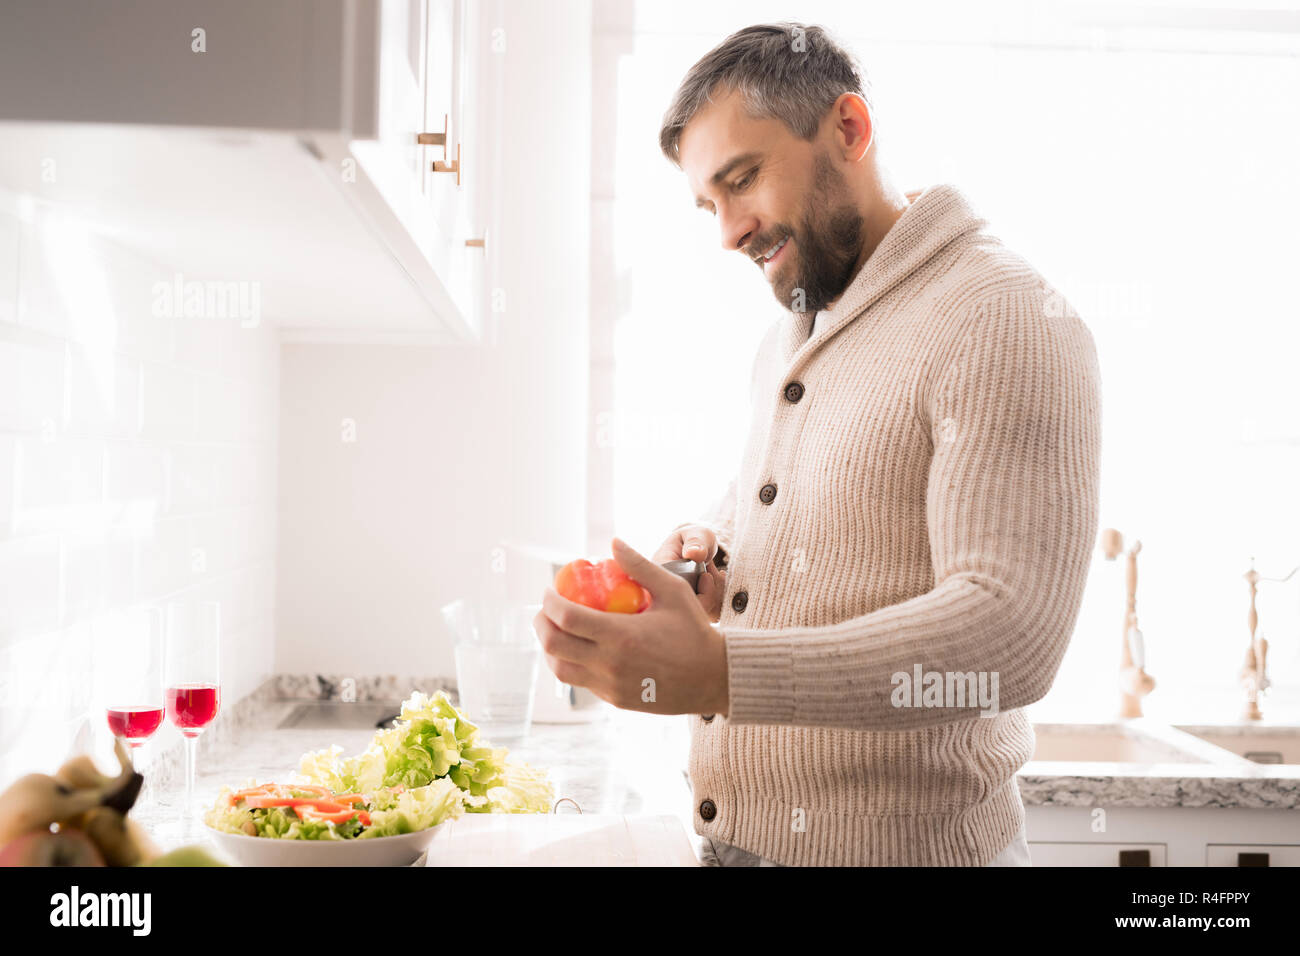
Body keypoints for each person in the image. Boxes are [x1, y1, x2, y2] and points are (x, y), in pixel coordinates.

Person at [534, 22, 1100, 866]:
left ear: (849, 129)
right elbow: (801, 528)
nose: (728, 229)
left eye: (743, 179)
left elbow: (1006, 634)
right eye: (708, 203)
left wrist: (724, 671)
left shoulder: (1001, 316)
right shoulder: (793, 336)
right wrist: (708, 558)